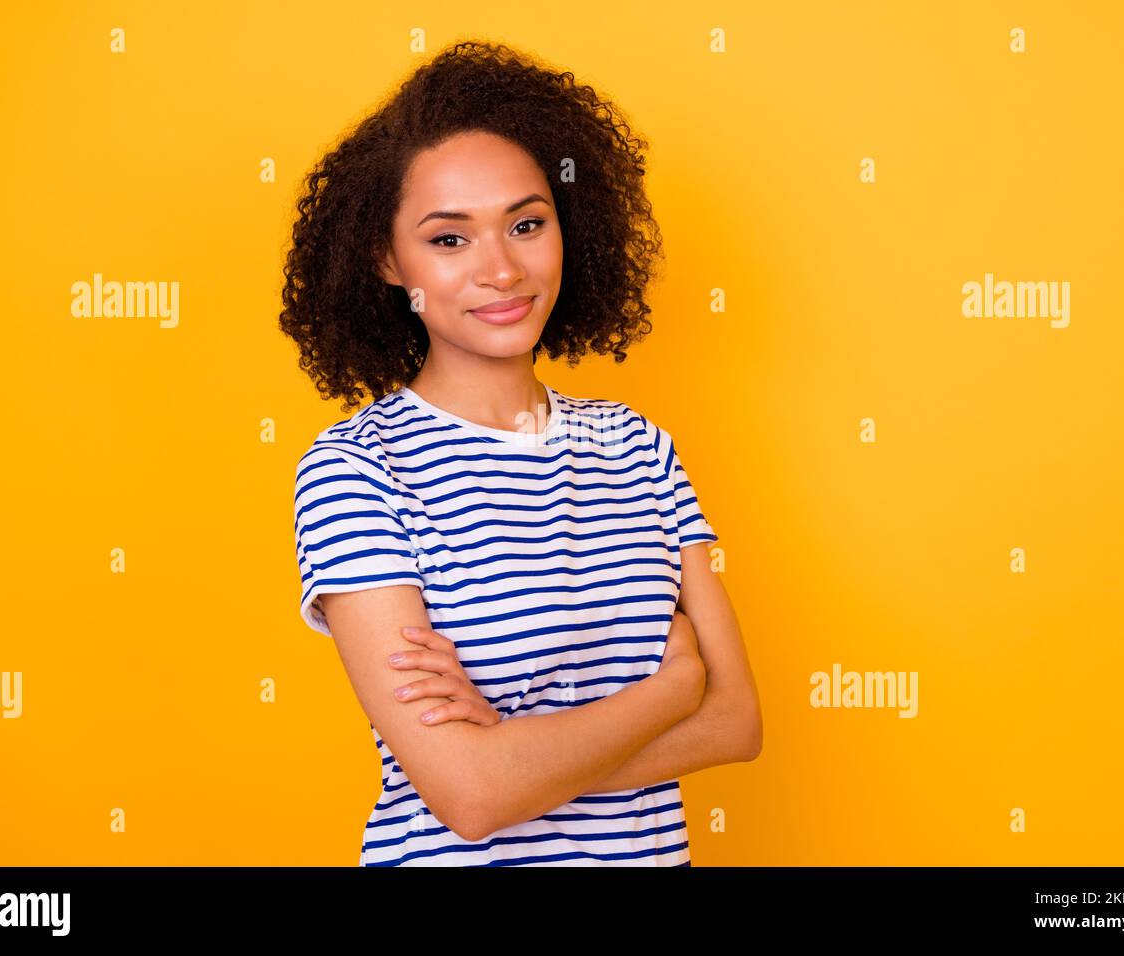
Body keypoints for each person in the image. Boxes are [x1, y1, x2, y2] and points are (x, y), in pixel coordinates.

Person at [279, 40, 762, 866]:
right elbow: (470, 799)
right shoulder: (357, 470)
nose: (501, 270)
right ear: (389, 262)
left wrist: (514, 754)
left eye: (526, 224)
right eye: (450, 240)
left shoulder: (639, 450)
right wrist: (672, 692)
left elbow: (739, 724)